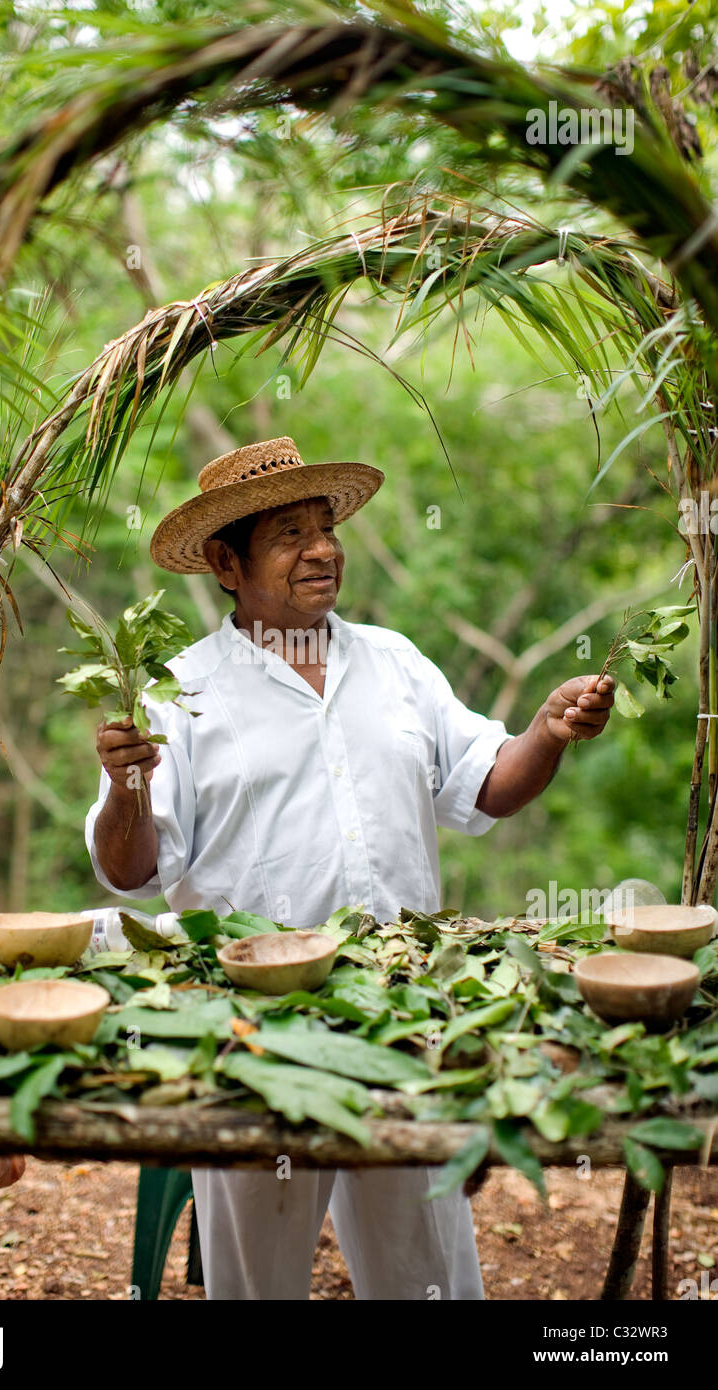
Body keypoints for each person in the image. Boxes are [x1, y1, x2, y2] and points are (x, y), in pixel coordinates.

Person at [85, 435, 615, 1300]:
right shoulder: (177, 692)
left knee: (426, 1267)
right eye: (289, 533)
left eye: (326, 527)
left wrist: (547, 732)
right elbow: (133, 871)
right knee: (259, 1276)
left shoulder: (395, 662)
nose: (323, 549)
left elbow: (488, 786)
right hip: (251, 1024)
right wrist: (127, 788)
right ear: (226, 561)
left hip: (403, 1007)